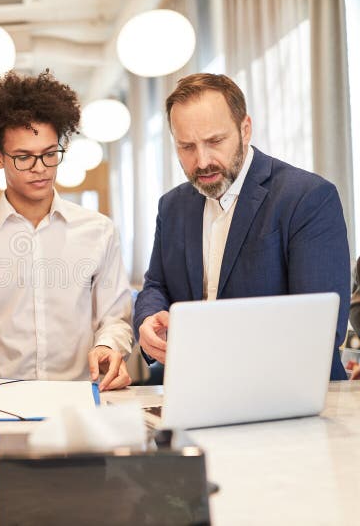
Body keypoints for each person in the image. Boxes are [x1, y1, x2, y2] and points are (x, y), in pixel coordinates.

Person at [135, 73, 350, 381]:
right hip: (196, 391)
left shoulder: (307, 197)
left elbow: (320, 327)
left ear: (245, 129)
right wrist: (148, 318)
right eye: (186, 147)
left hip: (290, 396)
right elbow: (156, 285)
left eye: (214, 141)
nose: (202, 161)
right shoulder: (172, 206)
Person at [0, 70, 134, 393]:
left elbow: (115, 318)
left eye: (49, 154)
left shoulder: (98, 231)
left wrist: (109, 345)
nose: (40, 168)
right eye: (23, 157)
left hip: (81, 393)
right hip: (1, 395)